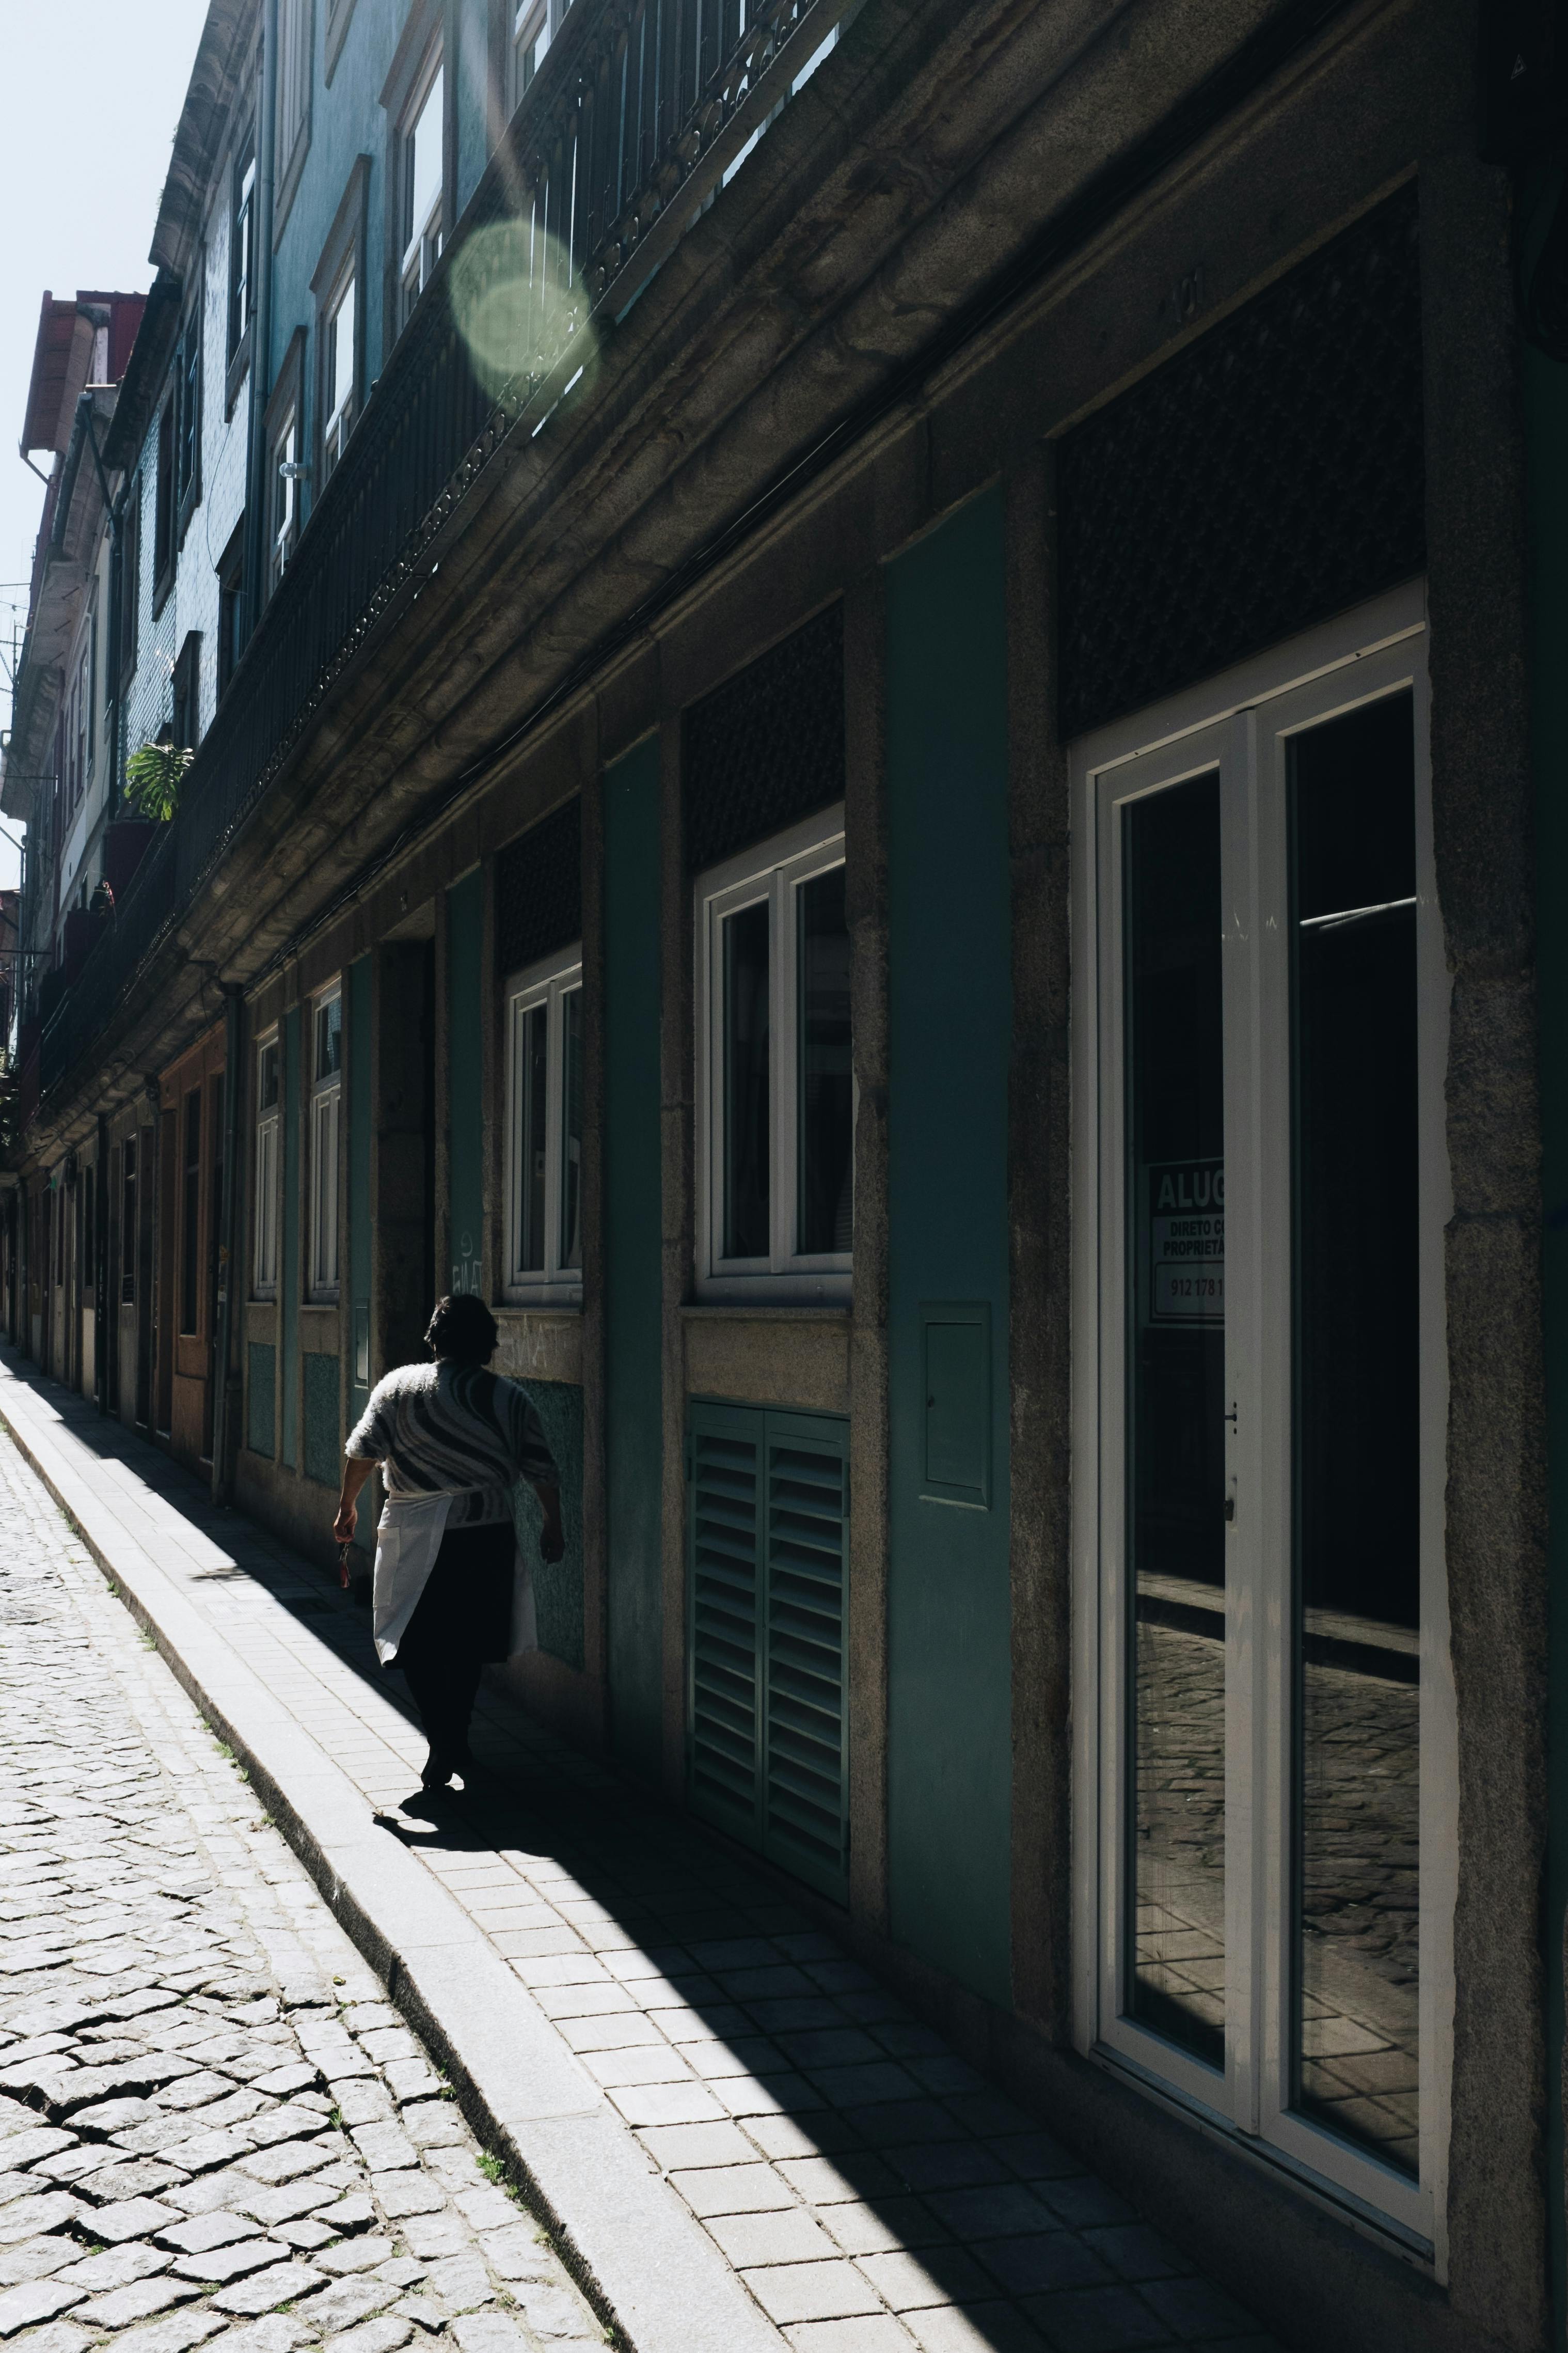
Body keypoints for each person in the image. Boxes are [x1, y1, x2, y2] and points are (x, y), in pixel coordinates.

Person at [332, 1294, 564, 1792]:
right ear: (487, 1343)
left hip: (413, 1531)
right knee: (467, 1646)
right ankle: (452, 1740)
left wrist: (347, 1507)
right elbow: (541, 1468)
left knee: (414, 1642)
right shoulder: (509, 1397)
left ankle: (442, 1740)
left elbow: (363, 1451)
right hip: (486, 1533)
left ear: (433, 1338)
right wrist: (553, 1523)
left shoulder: (397, 1388)